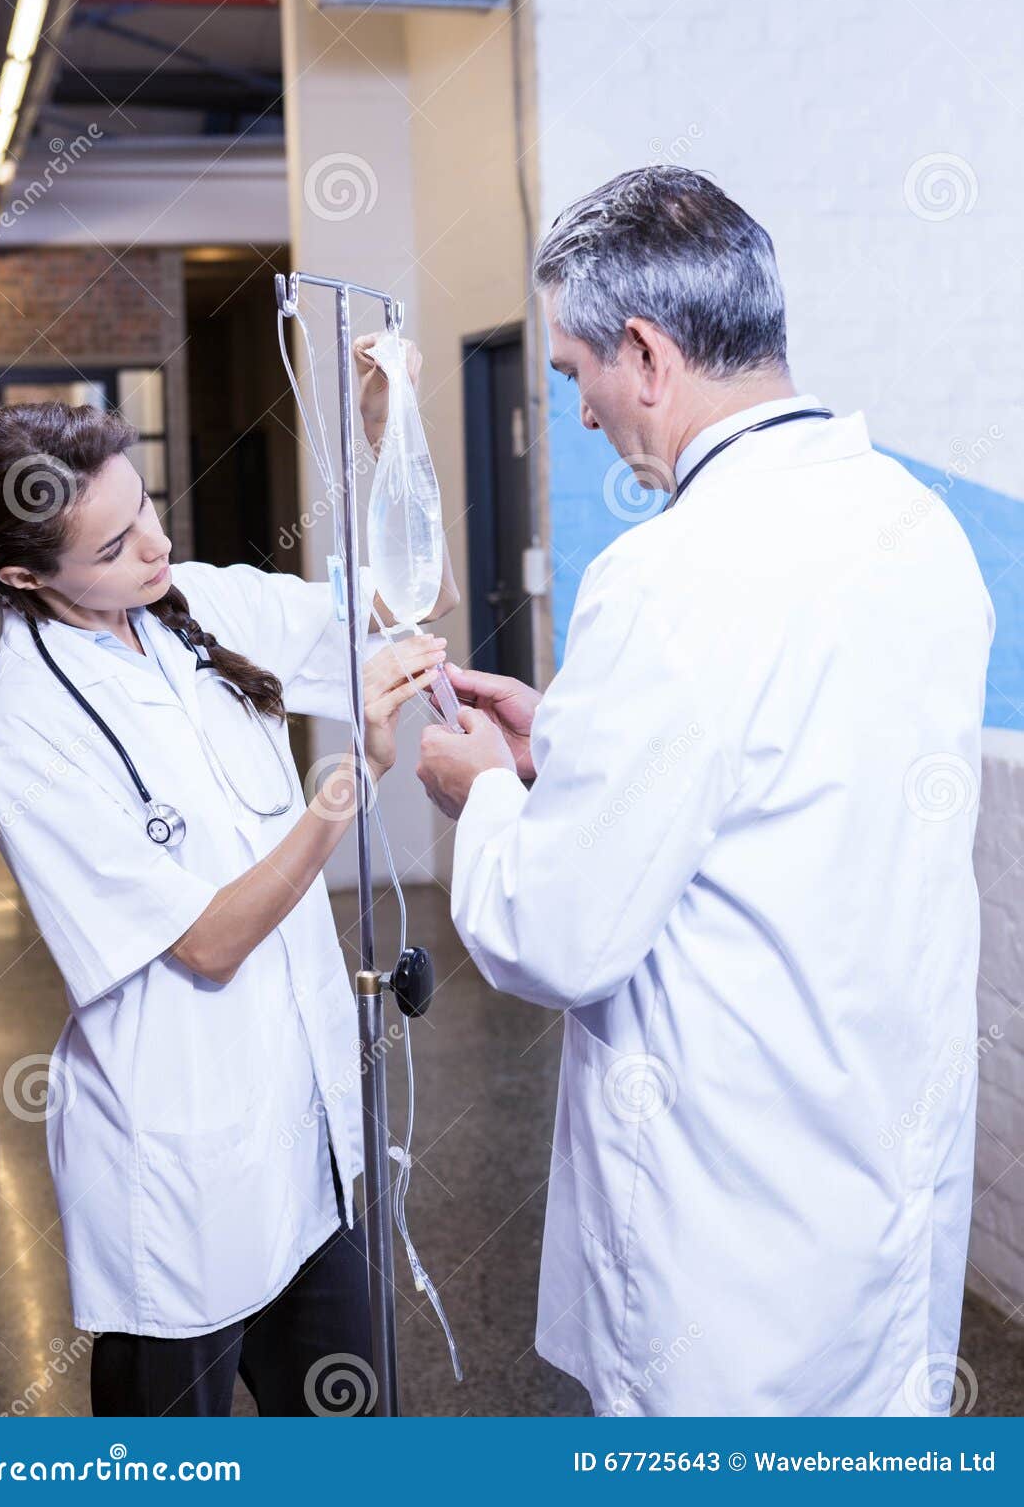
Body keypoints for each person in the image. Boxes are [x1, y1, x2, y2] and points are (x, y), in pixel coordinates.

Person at [416, 165, 993, 1417]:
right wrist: (570, 752)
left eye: (573, 372)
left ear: (645, 351)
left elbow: (556, 934)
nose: (578, 414)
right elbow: (779, 779)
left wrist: (488, 792)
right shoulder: (916, 527)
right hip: (872, 1156)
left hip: (727, 1208)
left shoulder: (665, 573)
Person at [0, 335, 458, 1417]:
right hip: (178, 1182)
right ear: (25, 577)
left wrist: (390, 435)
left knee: (351, 1444)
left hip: (306, 1137)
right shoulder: (24, 730)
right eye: (114, 545)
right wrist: (350, 782)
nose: (158, 544)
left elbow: (416, 603)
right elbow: (209, 942)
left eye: (144, 506)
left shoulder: (196, 602)